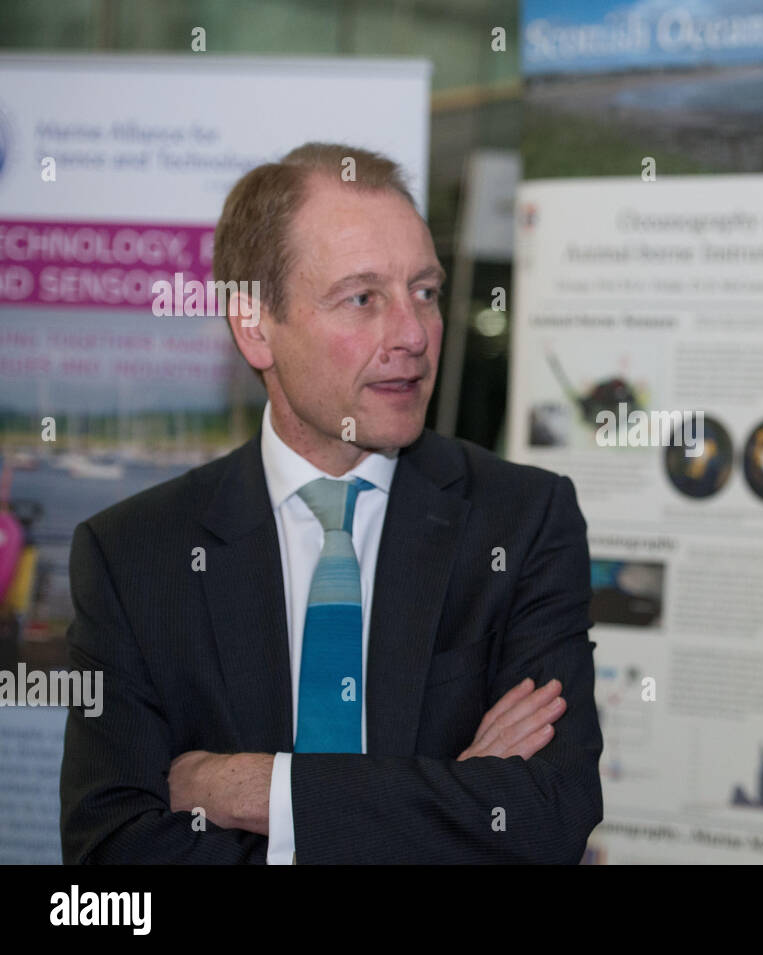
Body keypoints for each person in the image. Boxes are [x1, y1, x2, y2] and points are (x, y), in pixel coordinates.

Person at [60, 143, 602, 864]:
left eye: (427, 292)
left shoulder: (523, 521)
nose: (413, 335)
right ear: (255, 325)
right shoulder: (134, 554)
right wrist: (450, 795)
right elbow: (113, 858)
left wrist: (256, 789)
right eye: (363, 298)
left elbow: (542, 819)